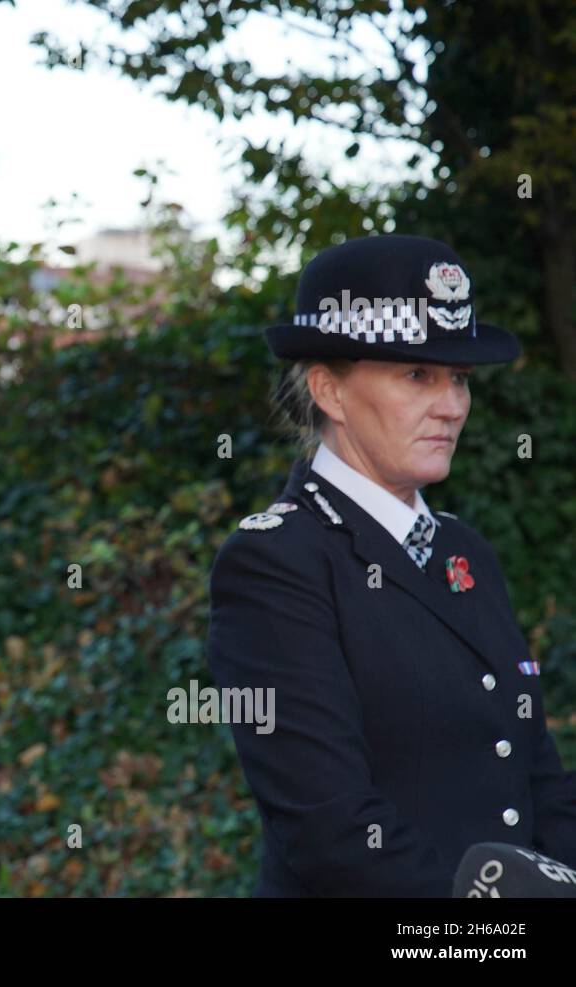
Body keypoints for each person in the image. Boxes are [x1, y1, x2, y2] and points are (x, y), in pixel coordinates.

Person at [206, 234, 576, 896]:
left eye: (457, 377)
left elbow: (534, 772)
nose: (452, 405)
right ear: (330, 390)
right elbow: (330, 830)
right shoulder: (273, 562)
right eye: (417, 375)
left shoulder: (465, 551)